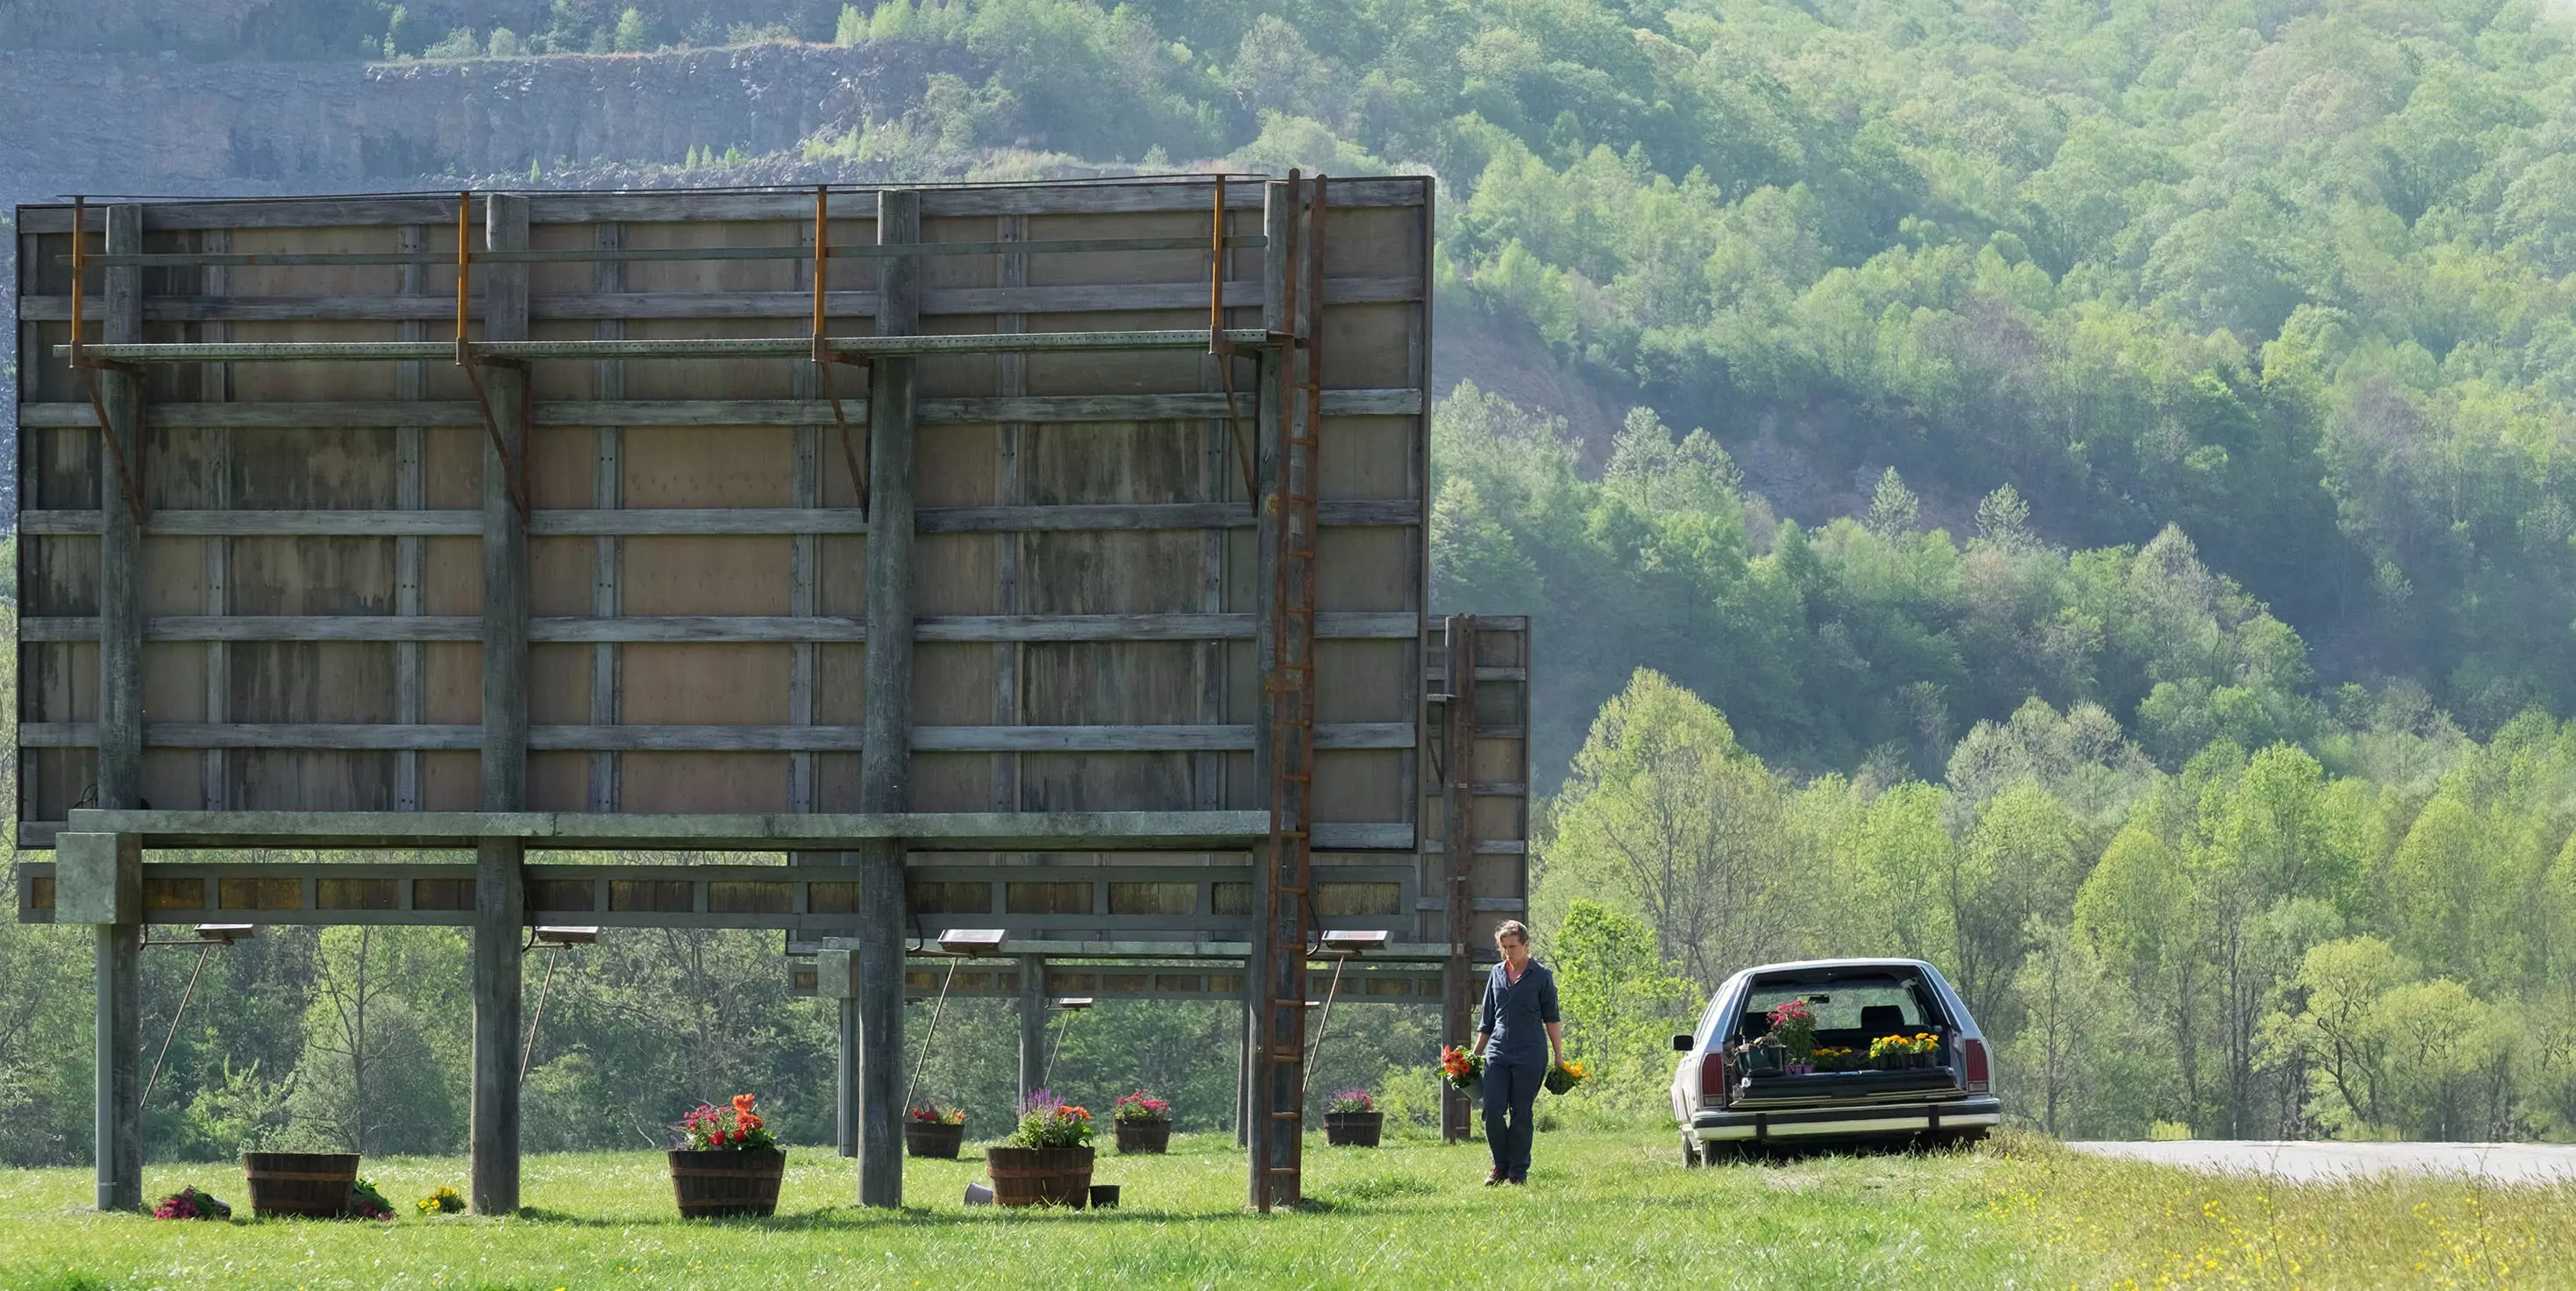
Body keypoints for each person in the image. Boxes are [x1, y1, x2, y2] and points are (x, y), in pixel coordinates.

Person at [1470, 919, 1565, 1186]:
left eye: (1513, 946)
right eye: (1504, 947)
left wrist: (1559, 1054)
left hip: (1530, 1053)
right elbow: (1487, 1020)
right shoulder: (1496, 974)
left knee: (1521, 1113)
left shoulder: (1542, 976)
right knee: (1492, 1109)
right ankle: (1499, 1166)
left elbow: (1552, 1018)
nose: (1508, 951)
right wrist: (1475, 1054)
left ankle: (1517, 1171)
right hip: (1498, 1052)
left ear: (1526, 944)